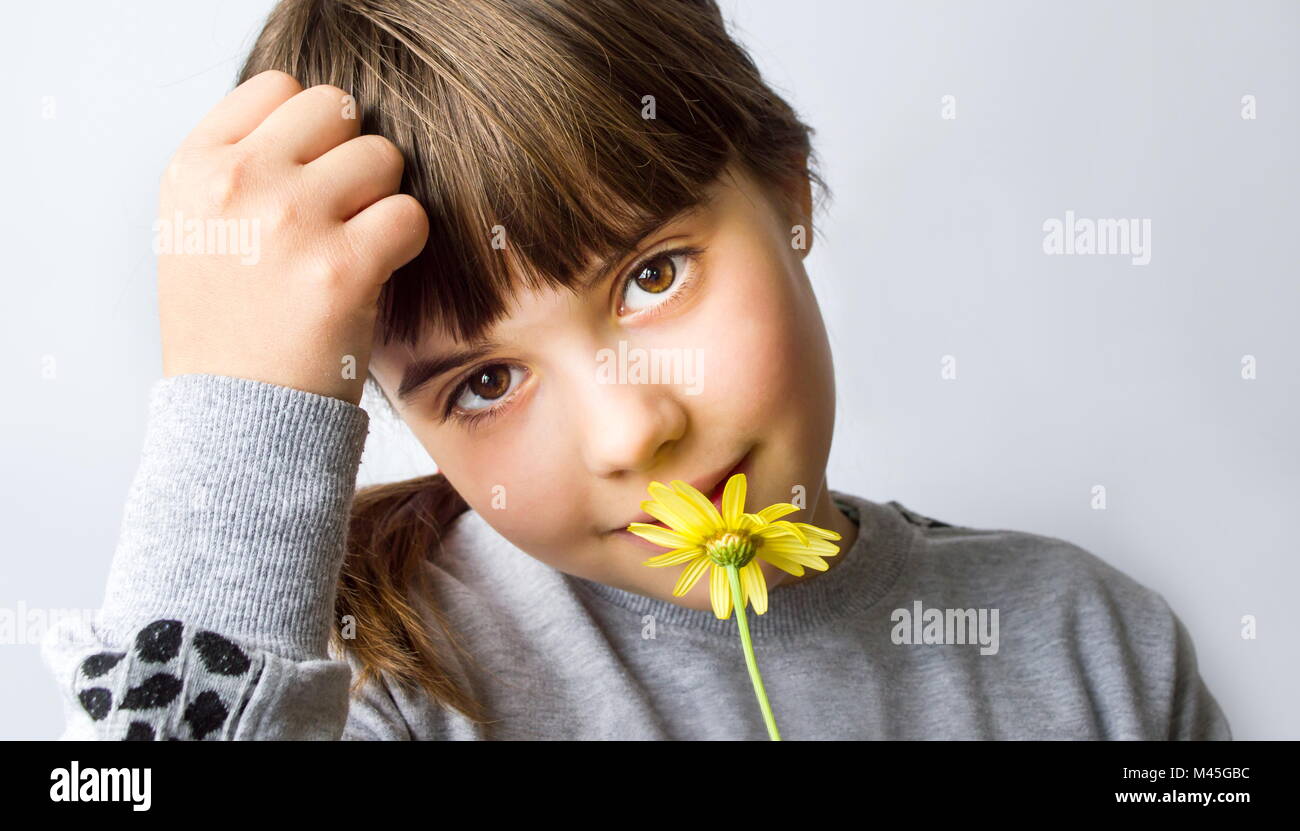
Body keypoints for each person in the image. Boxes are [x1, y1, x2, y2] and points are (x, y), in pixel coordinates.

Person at [42, 0, 1230, 740]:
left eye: (651, 276)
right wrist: (238, 418)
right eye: (483, 384)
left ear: (783, 191)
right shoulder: (373, 691)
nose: (628, 435)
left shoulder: (1090, 650)